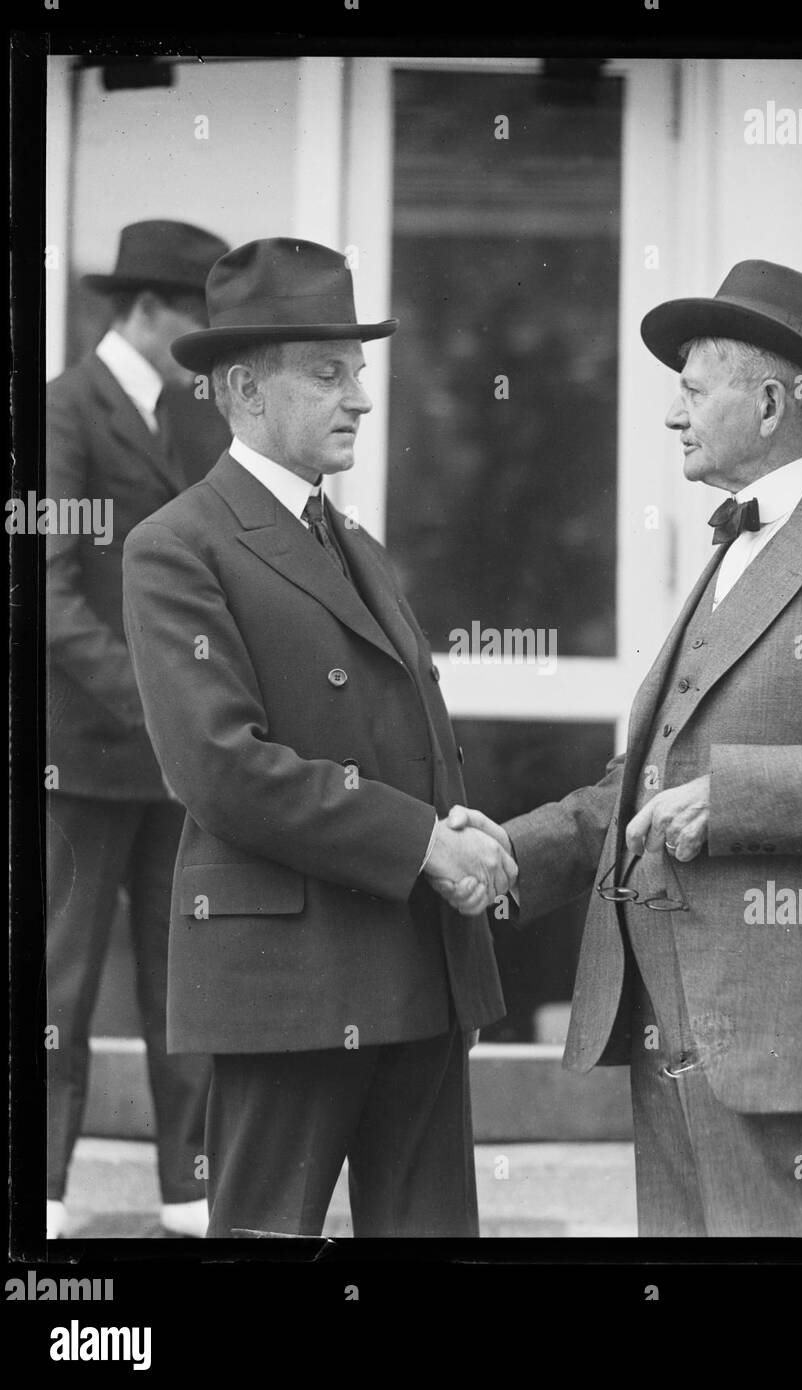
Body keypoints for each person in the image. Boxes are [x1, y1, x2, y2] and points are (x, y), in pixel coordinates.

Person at [446, 260, 802, 1237]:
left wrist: (728, 800)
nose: (671, 417)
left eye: (690, 390)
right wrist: (510, 852)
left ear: (768, 403)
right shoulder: (727, 555)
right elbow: (643, 786)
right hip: (663, 1012)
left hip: (775, 1029)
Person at [121, 237, 513, 1238]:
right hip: (290, 984)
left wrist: (462, 827)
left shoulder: (355, 544)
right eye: (328, 375)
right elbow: (221, 766)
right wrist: (424, 844)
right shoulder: (177, 546)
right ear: (245, 390)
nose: (360, 399)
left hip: (418, 970)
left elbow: (400, 732)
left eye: (361, 374)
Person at [46, 219, 230, 1239]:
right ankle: (42, 1194)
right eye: (196, 316)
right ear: (148, 310)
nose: (206, 341)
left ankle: (189, 1191)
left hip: (171, 765)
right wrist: (159, 705)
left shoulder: (187, 423)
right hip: (76, 758)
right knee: (56, 991)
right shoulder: (64, 411)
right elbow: (46, 593)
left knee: (183, 984)